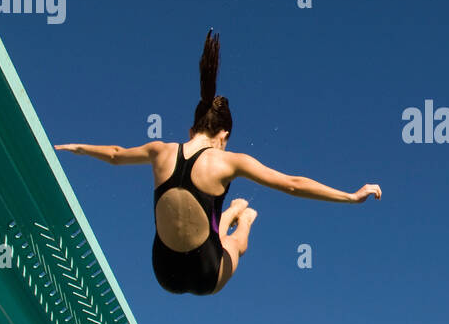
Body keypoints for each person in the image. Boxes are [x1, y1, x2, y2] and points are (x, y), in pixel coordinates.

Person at [55, 31, 381, 295]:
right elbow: (293, 185)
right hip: (205, 272)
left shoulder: (160, 150)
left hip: (163, 270)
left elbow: (114, 154)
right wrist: (350, 196)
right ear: (224, 134)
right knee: (234, 245)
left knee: (215, 232)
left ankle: (230, 215)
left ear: (191, 129)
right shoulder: (228, 162)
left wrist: (78, 147)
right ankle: (244, 217)